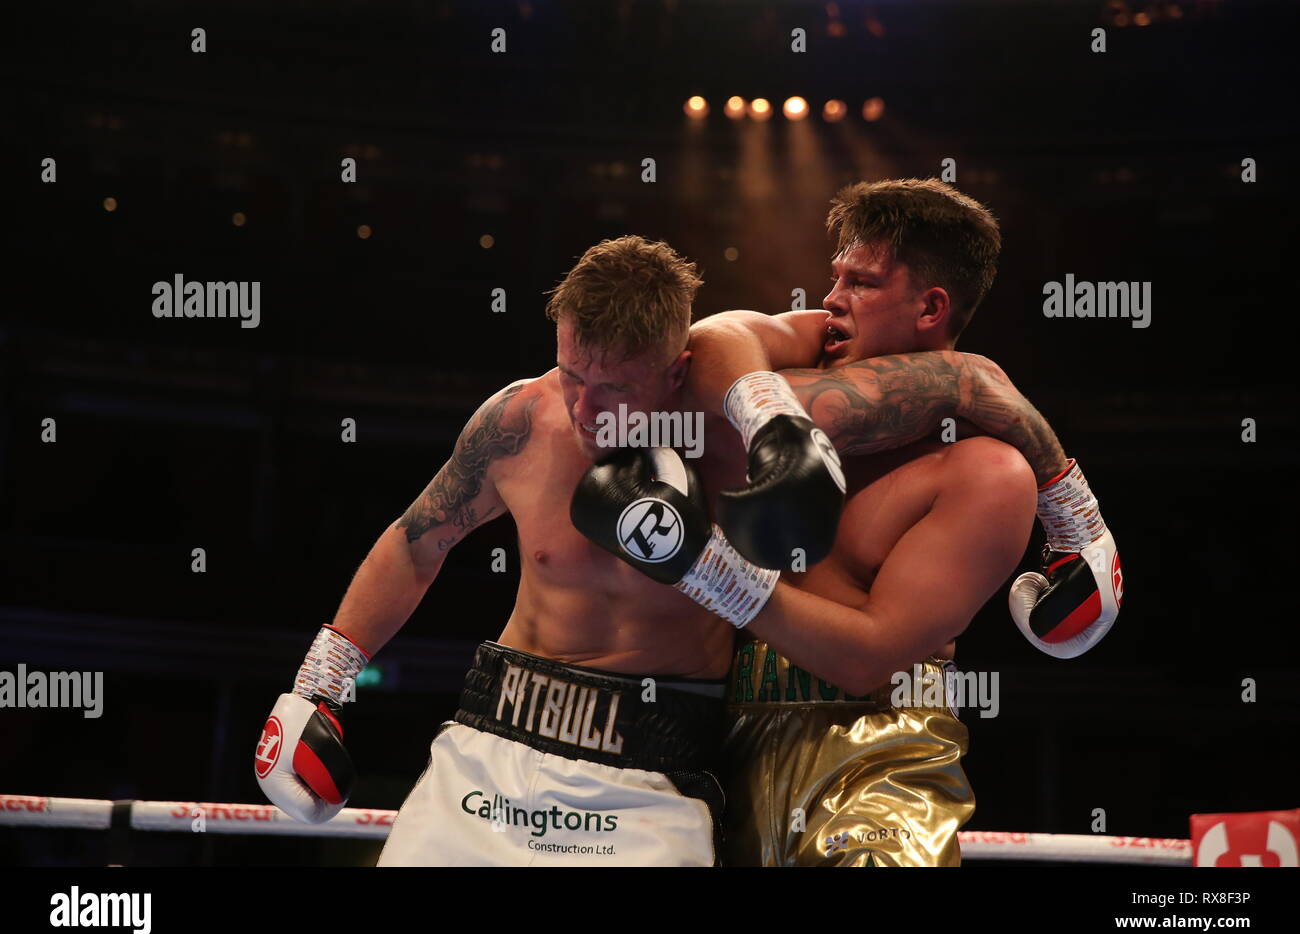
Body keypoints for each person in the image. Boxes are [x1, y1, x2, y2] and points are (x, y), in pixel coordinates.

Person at [575, 179, 1123, 866]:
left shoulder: (984, 473)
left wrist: (697, 563)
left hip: (879, 760)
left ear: (931, 307)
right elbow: (712, 341)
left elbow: (864, 657)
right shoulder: (799, 373)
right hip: (714, 749)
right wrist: (957, 380)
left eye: (860, 283)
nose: (829, 299)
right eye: (834, 276)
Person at [252, 236, 845, 866]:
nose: (585, 408)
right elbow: (414, 544)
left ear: (677, 370)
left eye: (614, 387)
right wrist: (318, 684)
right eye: (572, 374)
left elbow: (833, 332)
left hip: (652, 772)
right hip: (492, 743)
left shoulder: (726, 428)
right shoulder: (521, 421)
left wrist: (964, 376)